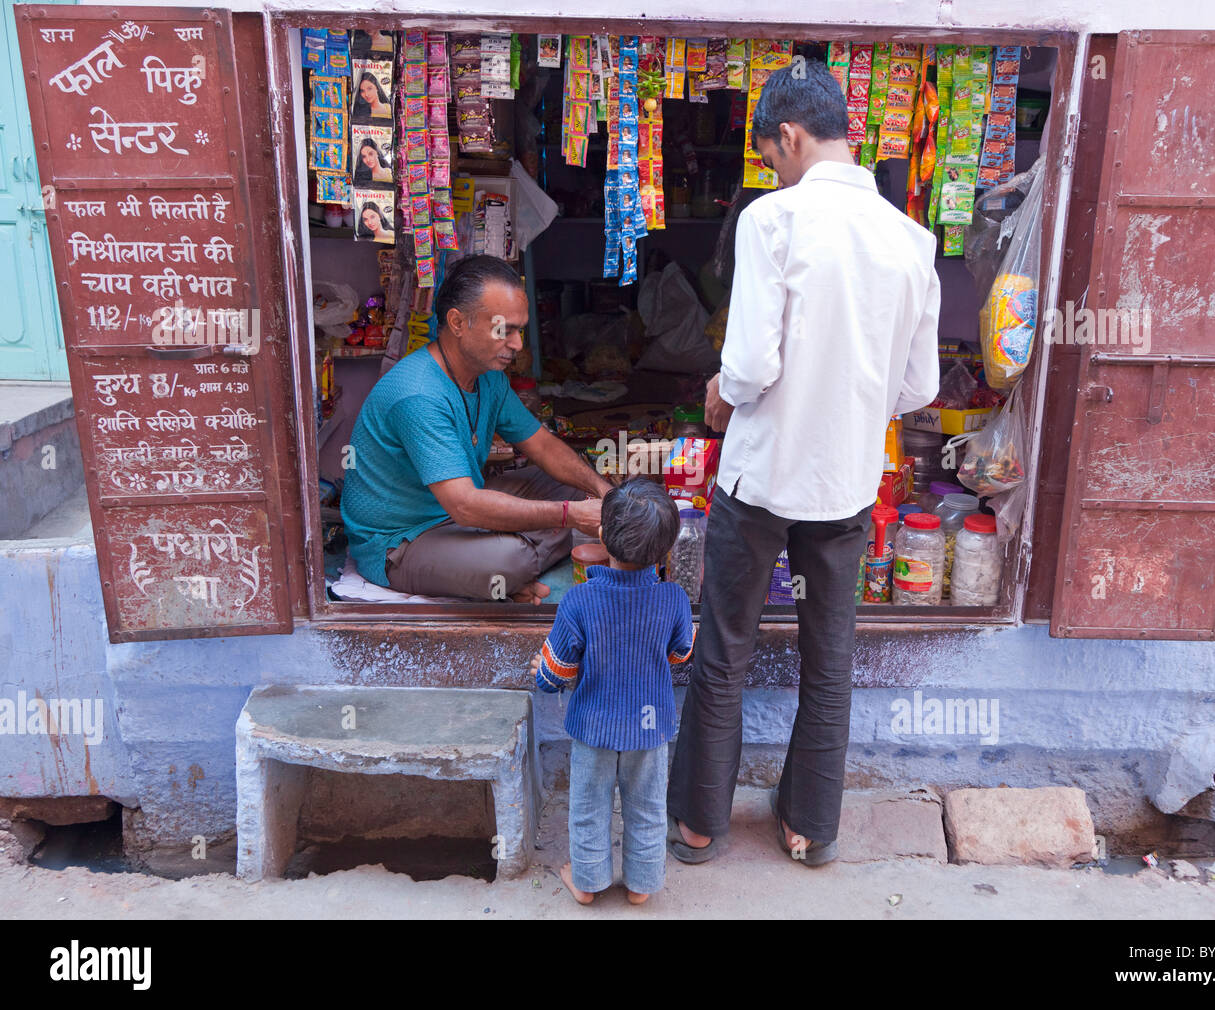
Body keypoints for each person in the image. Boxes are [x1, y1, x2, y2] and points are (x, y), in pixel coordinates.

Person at [665, 60, 940, 866]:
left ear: (787, 136)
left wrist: (720, 386)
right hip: (845, 489)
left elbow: (749, 365)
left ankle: (699, 824)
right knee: (829, 654)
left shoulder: (772, 221)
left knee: (726, 647)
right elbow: (919, 384)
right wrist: (848, 398)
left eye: (770, 156)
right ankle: (810, 828)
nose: (773, 171)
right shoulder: (910, 238)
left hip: (760, 486)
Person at [340, 255, 611, 603]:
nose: (517, 344)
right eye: (504, 330)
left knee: (572, 485)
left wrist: (604, 492)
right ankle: (503, 573)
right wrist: (569, 517)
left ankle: (492, 574)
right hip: (402, 542)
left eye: (520, 330)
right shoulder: (418, 393)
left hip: (458, 516)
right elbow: (465, 506)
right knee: (511, 560)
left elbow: (542, 446)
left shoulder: (489, 378)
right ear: (457, 322)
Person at [531, 479, 696, 904]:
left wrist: (542, 669)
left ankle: (587, 883)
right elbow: (680, 656)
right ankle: (642, 886)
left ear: (601, 535)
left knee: (589, 807)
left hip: (594, 727)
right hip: (650, 727)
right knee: (646, 807)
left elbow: (553, 676)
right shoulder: (674, 599)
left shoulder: (579, 601)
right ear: (666, 549)